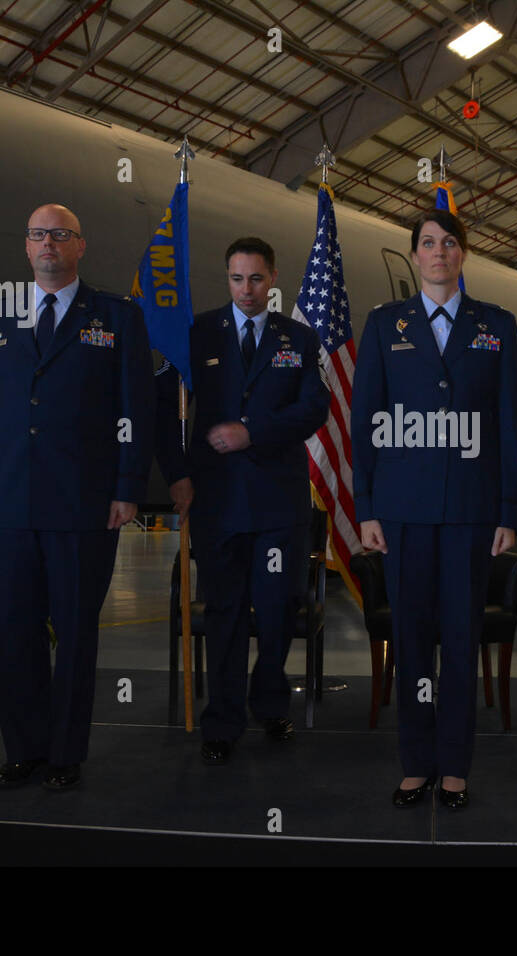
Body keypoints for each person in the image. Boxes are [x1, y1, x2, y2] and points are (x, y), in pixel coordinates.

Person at [0, 203, 155, 791]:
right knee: (16, 632)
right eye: (39, 235)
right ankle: (25, 749)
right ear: (26, 247)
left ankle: (66, 753)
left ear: (80, 247)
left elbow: (135, 411)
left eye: (60, 235)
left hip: (84, 503)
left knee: (74, 632)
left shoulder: (117, 318)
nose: (49, 244)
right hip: (11, 502)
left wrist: (126, 488)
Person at [351, 209, 517, 810]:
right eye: (427, 243)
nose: (439, 252)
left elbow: (507, 423)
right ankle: (415, 763)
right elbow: (366, 419)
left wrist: (508, 509)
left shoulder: (496, 326)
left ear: (463, 255)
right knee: (413, 640)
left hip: (472, 512)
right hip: (402, 511)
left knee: (460, 636)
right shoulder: (383, 326)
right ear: (415, 255)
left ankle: (455, 766)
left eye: (449, 243)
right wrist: (366, 506)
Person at [154, 237, 329, 765]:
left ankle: (270, 702)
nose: (246, 290)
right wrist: (178, 476)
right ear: (226, 278)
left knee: (277, 610)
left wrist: (254, 431)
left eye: (255, 278)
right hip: (217, 503)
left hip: (278, 505)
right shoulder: (197, 332)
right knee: (226, 611)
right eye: (236, 278)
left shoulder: (299, 339)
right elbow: (165, 410)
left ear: (273, 277)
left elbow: (314, 409)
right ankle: (223, 722)